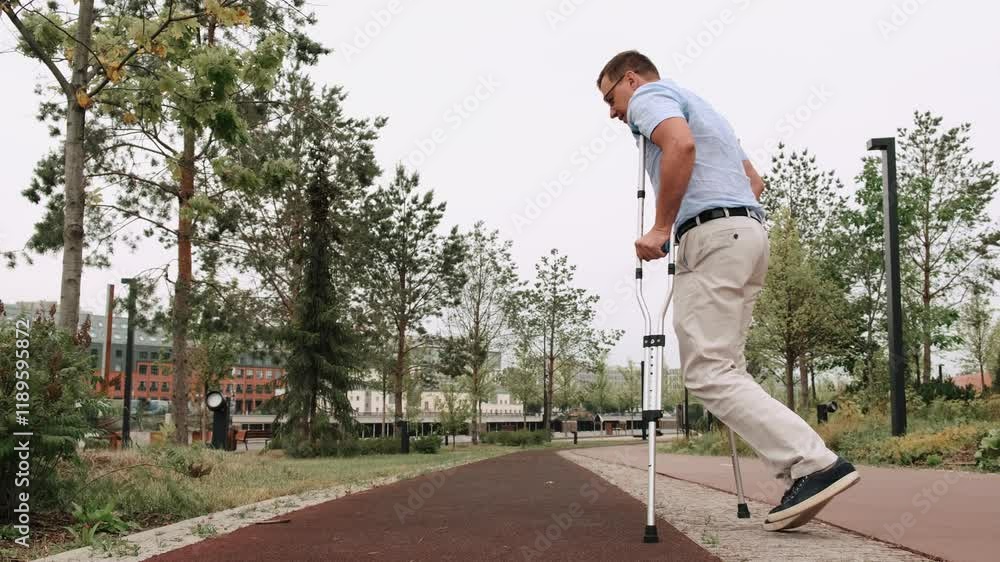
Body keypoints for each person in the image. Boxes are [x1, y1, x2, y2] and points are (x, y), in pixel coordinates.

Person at [596, 50, 859, 531]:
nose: (613, 112)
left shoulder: (651, 97)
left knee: (708, 373)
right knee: (728, 368)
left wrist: (661, 228)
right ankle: (801, 472)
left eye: (610, 98)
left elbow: (679, 146)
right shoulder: (704, 104)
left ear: (629, 80)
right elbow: (753, 182)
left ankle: (814, 463)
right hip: (748, 233)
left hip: (712, 238)